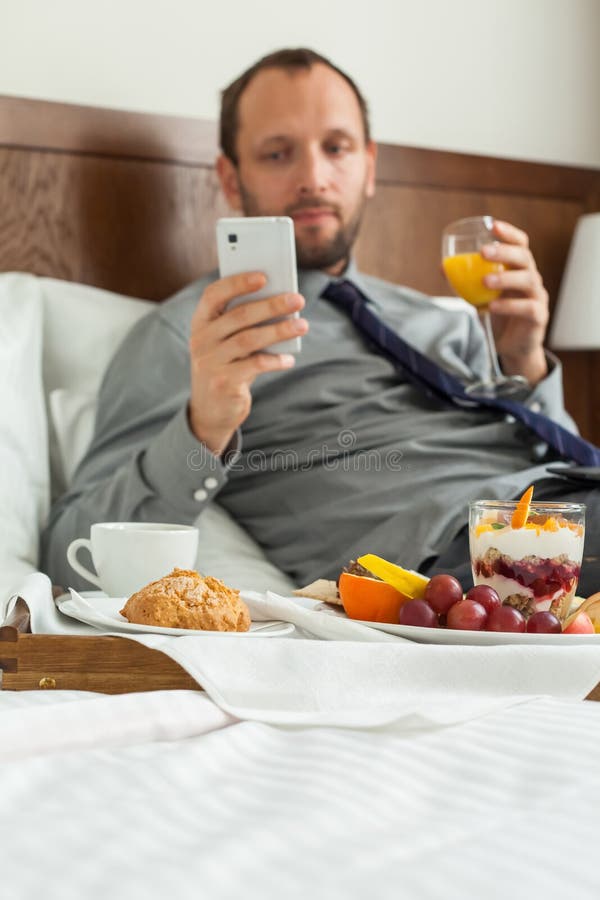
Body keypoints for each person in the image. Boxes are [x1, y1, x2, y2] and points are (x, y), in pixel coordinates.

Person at [41, 47, 599, 593]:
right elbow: (73, 552)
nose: (314, 176)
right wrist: (203, 427)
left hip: (565, 514)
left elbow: (559, 463)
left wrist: (524, 364)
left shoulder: (446, 320)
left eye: (337, 147)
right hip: (456, 557)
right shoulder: (194, 339)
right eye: (278, 154)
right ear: (231, 179)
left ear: (368, 166)